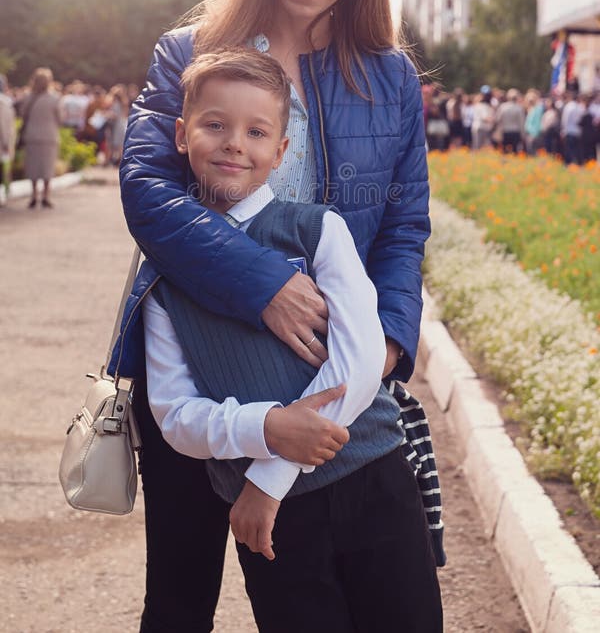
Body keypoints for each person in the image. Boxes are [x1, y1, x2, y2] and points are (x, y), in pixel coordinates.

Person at [115, 0, 433, 633]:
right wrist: (263, 284)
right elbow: (147, 190)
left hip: (323, 375)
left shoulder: (390, 79)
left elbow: (403, 225)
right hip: (198, 361)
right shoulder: (190, 51)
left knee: (323, 594)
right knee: (178, 602)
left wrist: (385, 343)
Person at [135, 48, 441, 632]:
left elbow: (361, 357)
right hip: (272, 522)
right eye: (215, 125)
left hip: (370, 477)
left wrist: (268, 477)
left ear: (280, 152)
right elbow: (174, 414)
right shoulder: (165, 279)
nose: (234, 144)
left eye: (255, 132)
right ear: (180, 134)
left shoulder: (318, 230)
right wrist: (268, 428)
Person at [19, 67, 62, 208]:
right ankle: (45, 196)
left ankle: (33, 196)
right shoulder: (54, 98)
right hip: (49, 136)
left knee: (33, 167)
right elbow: (60, 118)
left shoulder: (28, 97)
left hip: (32, 136)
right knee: (47, 167)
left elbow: (22, 115)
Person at [0, 74, 16, 206]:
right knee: (4, 170)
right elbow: (5, 126)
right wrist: (6, 143)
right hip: (2, 143)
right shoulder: (4, 103)